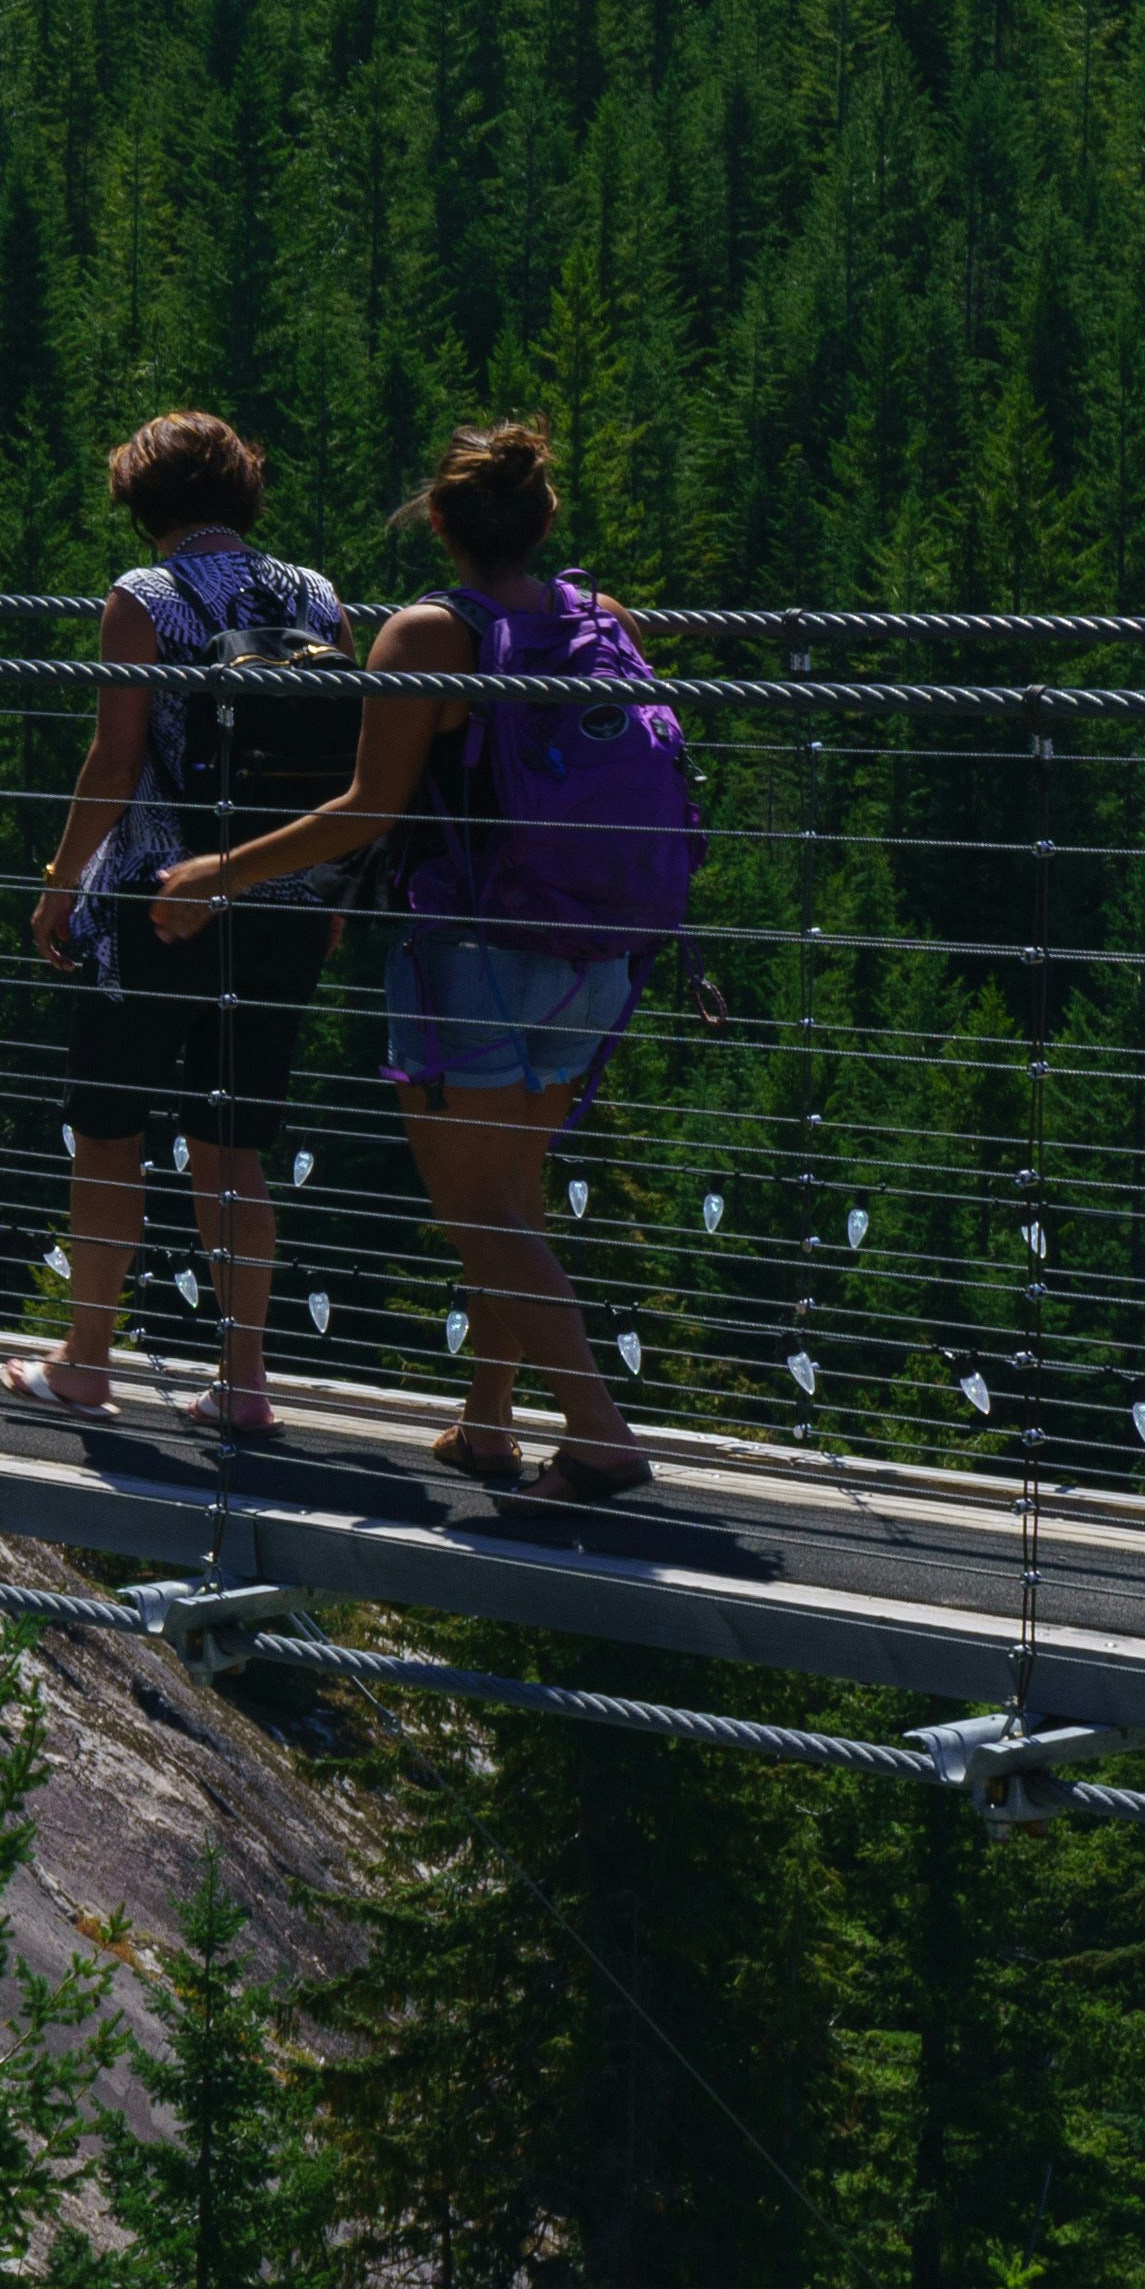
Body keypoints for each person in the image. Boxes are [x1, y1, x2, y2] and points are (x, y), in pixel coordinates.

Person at [154, 419, 680, 1502]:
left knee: (476, 1208)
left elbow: (363, 811)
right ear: (542, 522)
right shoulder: (605, 620)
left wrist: (215, 872)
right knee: (511, 1194)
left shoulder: (425, 636)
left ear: (438, 524)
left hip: (475, 946)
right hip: (600, 945)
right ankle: (486, 1422)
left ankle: (596, 1432)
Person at [16, 409, 352, 1438]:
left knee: (107, 1131)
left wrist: (59, 886)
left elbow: (114, 763)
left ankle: (84, 1363)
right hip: (283, 897)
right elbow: (352, 761)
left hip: (158, 904)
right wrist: (327, 891)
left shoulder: (143, 601)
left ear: (140, 498)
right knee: (231, 1144)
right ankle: (241, 1383)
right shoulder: (317, 596)